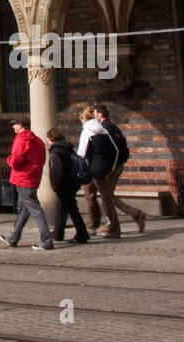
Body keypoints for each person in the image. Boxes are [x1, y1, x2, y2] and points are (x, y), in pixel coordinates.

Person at [0, 115, 53, 250]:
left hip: (23, 178)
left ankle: (46, 241)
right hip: (33, 177)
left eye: (15, 124)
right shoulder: (38, 141)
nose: (13, 127)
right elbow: (41, 159)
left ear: (21, 125)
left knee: (35, 209)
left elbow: (15, 161)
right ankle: (13, 238)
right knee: (25, 208)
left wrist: (9, 160)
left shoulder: (21, 140)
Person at [93, 104, 145, 234]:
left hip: (113, 166)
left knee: (107, 196)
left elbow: (109, 149)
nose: (94, 117)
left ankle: (120, 220)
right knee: (108, 195)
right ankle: (134, 214)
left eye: (95, 114)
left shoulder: (106, 128)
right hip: (117, 164)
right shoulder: (111, 126)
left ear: (100, 114)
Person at [78, 105, 120, 238]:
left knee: (102, 197)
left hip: (93, 169)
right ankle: (93, 224)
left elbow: (81, 153)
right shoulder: (102, 130)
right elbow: (115, 150)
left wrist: (79, 170)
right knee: (93, 194)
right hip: (102, 168)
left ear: (84, 119)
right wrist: (110, 167)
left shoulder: (87, 131)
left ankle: (113, 227)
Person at [46, 129, 90, 244]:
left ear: (51, 139)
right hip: (73, 182)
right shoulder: (69, 149)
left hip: (64, 184)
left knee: (72, 210)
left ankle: (82, 234)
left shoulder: (55, 152)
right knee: (62, 208)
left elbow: (56, 171)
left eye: (48, 140)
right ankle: (58, 233)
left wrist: (55, 186)